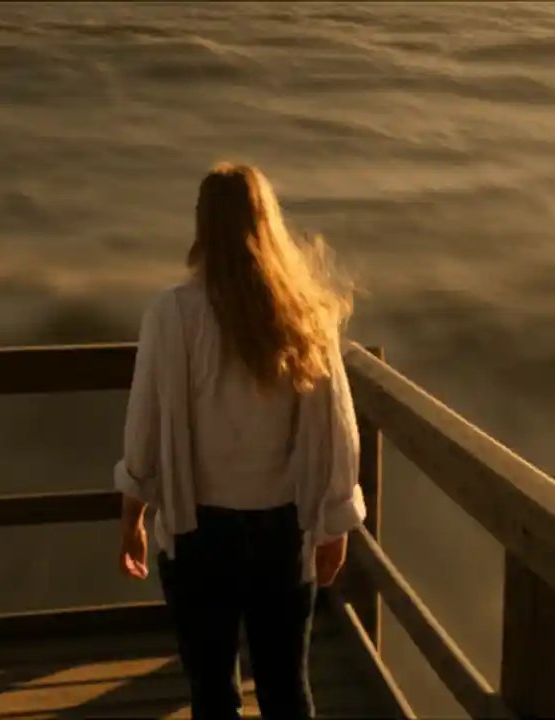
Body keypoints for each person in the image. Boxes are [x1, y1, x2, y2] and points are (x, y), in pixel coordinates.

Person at [114, 162, 365, 720]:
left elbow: (143, 424)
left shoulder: (171, 314)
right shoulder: (305, 317)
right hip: (283, 529)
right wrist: (335, 522)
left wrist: (133, 514)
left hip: (197, 532)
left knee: (212, 693)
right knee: (286, 689)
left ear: (202, 226)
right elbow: (337, 426)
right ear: (267, 222)